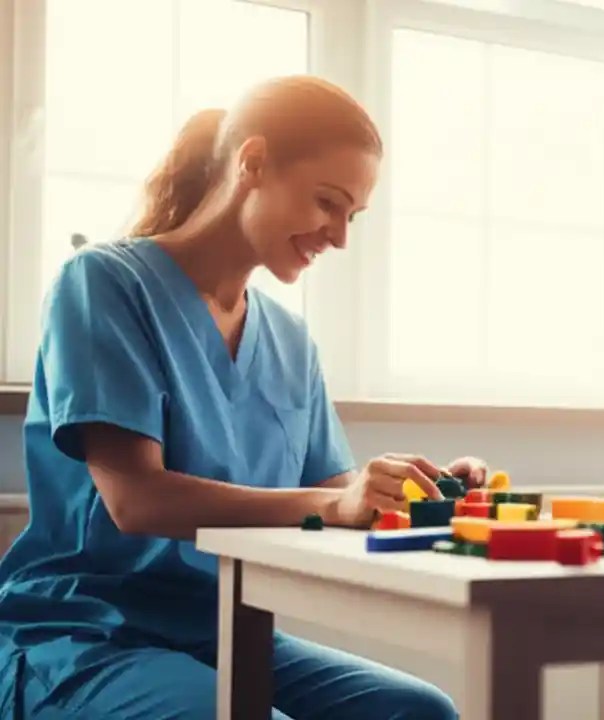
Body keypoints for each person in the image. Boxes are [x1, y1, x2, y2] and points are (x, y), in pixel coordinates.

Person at [0, 76, 478, 718]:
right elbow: (135, 500)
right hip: (84, 630)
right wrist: (339, 502)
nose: (338, 236)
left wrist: (417, 492)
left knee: (419, 711)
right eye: (326, 202)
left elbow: (336, 493)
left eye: (352, 216)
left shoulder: (290, 340)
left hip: (225, 629)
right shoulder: (103, 285)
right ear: (251, 163)